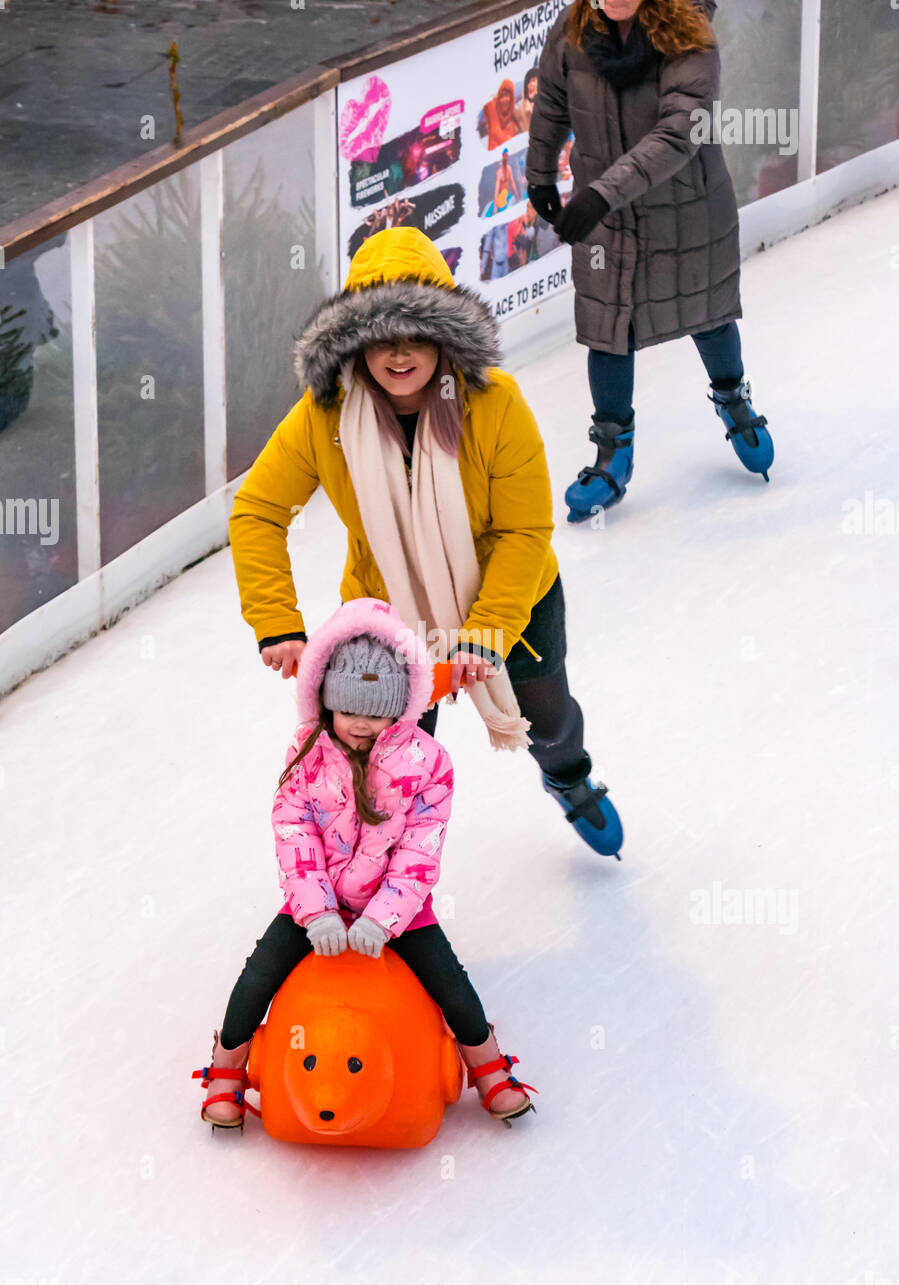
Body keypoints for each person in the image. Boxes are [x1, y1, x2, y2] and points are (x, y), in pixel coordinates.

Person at [228, 224, 624, 859]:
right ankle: (379, 868)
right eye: (383, 337)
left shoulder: (495, 404)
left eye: (418, 334)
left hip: (511, 602)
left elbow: (524, 529)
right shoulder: (324, 416)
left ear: (445, 335)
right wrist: (276, 620)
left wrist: (487, 628)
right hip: (388, 623)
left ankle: (568, 775)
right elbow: (258, 510)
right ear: (356, 341)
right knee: (384, 761)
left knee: (548, 721)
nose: (401, 354)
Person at [193, 598, 537, 1129]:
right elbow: (294, 833)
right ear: (327, 701)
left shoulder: (428, 761)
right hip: (318, 900)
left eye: (377, 712)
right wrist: (317, 913)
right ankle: (227, 1067)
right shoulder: (307, 750)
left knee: (451, 985)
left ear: (402, 709)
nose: (361, 723)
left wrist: (383, 917)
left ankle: (486, 1063)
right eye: (350, 709)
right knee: (258, 976)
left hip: (398, 908)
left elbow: (421, 850)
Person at [526, 0, 774, 522]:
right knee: (607, 324)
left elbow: (679, 132)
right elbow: (551, 99)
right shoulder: (573, 30)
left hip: (687, 208)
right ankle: (612, 454)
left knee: (707, 314)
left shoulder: (689, 34)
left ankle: (734, 399)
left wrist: (597, 195)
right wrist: (539, 173)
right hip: (608, 218)